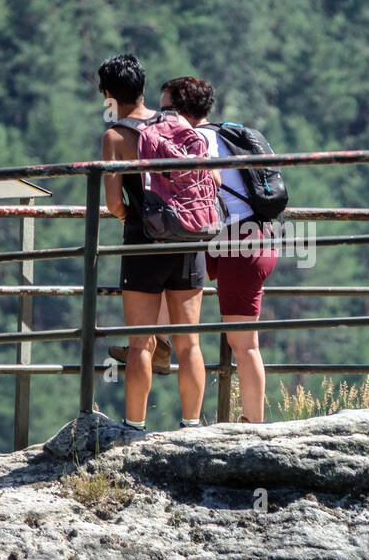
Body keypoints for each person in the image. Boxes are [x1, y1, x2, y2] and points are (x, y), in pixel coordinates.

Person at [97, 54, 212, 432]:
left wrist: (132, 218)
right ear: (144, 88)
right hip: (190, 236)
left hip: (144, 242)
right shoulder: (175, 122)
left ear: (109, 94)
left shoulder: (116, 137)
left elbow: (114, 203)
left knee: (140, 344)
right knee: (189, 342)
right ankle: (192, 425)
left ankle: (134, 428)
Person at [161, 77, 278, 423]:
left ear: (181, 111)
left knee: (244, 345)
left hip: (238, 244)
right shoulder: (224, 135)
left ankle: (255, 426)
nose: (159, 117)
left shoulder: (195, 142)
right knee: (173, 274)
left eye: (165, 109)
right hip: (252, 238)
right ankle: (155, 340)